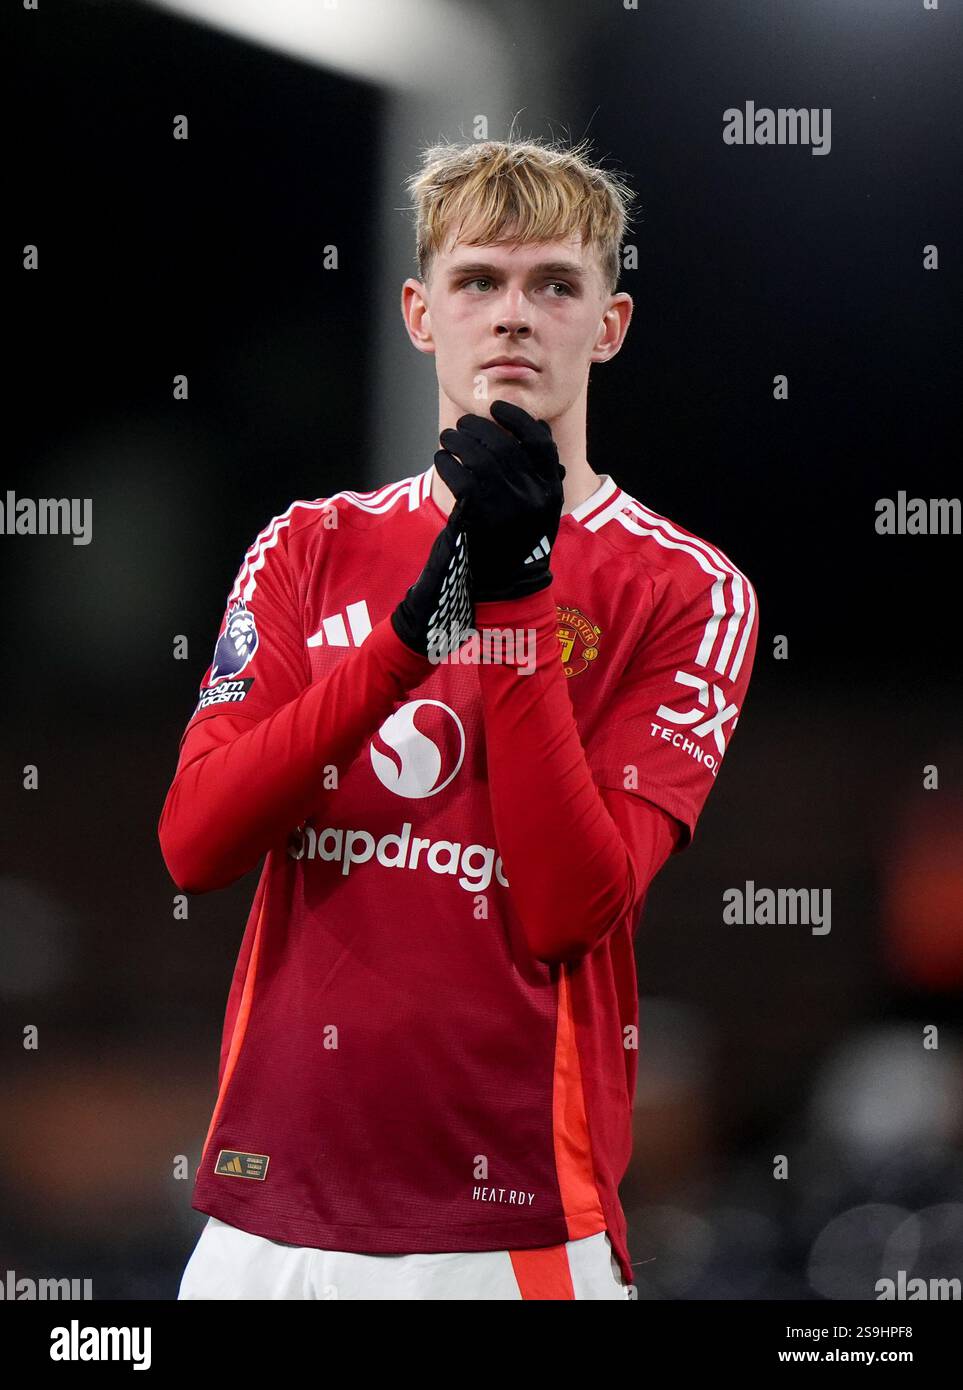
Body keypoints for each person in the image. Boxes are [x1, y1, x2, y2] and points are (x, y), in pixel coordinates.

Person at [160, 136, 759, 1301]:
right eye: (479, 281)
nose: (515, 316)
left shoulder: (691, 591)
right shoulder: (308, 542)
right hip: (261, 1230)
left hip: (509, 1236)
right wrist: (403, 645)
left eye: (555, 285)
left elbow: (567, 906)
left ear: (611, 323)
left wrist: (519, 593)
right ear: (420, 313)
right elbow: (197, 842)